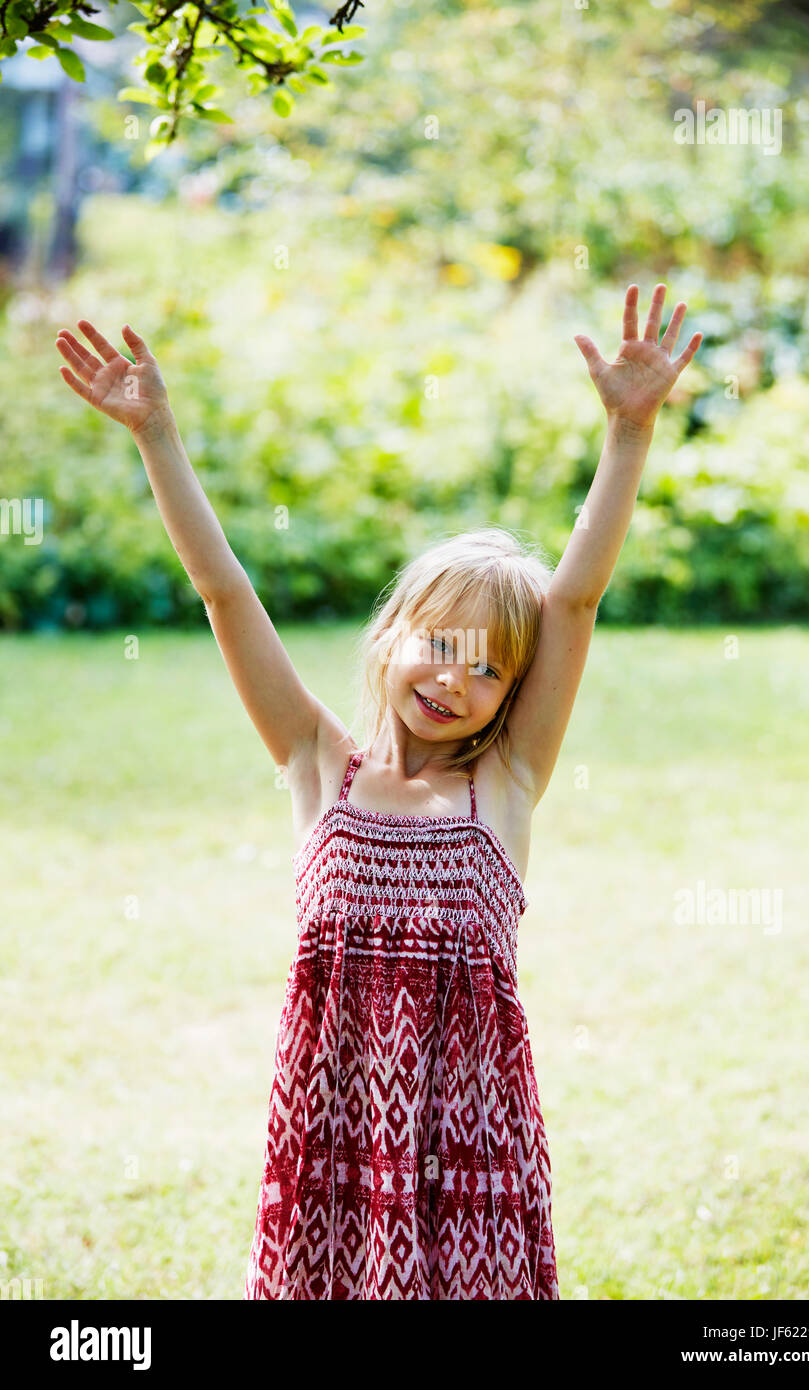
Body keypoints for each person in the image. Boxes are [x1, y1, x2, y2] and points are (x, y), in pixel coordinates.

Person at [55, 284, 701, 1299]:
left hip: (467, 1146)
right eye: (439, 648)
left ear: (512, 692)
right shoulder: (319, 764)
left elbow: (572, 597)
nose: (454, 679)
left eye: (487, 668)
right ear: (391, 632)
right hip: (332, 1135)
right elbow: (225, 589)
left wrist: (628, 429)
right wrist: (157, 435)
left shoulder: (505, 780)